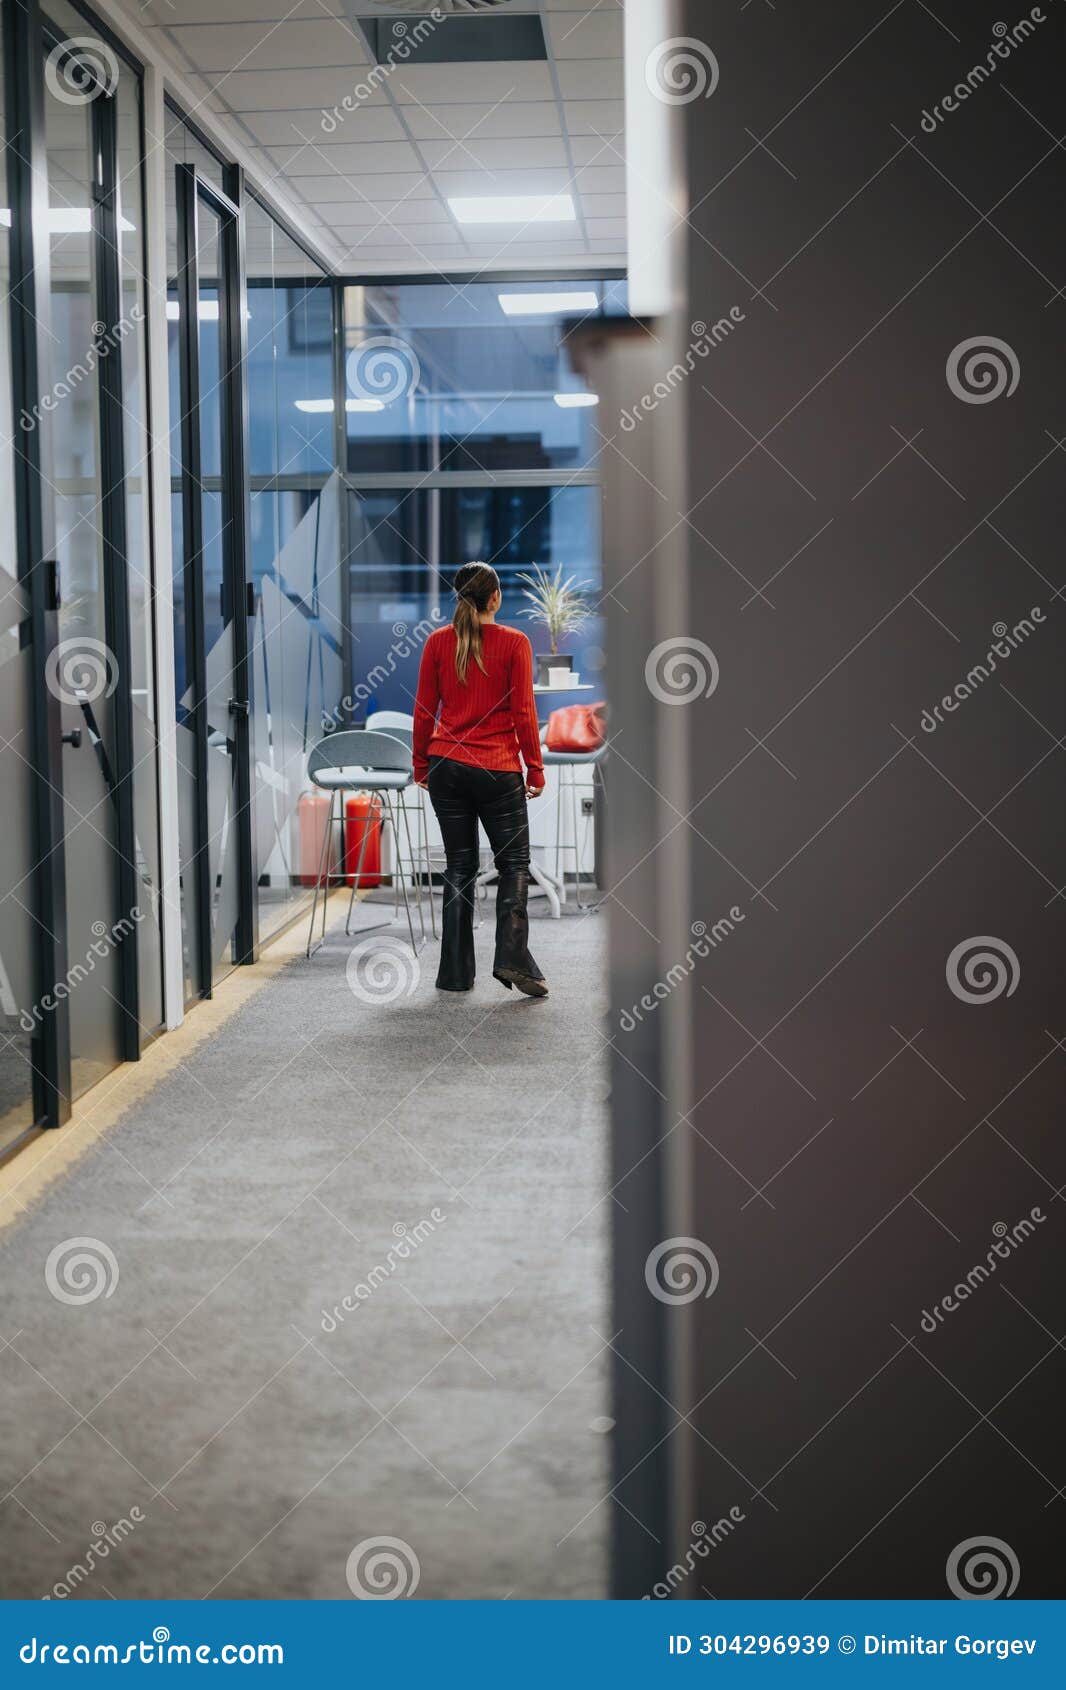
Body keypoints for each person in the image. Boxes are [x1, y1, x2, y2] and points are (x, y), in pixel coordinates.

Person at [413, 562, 548, 998]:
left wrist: (421, 765)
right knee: (513, 865)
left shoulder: (437, 643)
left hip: (446, 767)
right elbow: (524, 712)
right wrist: (535, 767)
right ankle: (511, 957)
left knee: (459, 867)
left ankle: (454, 974)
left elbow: (423, 711)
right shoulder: (514, 643)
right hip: (497, 767)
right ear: (495, 598)